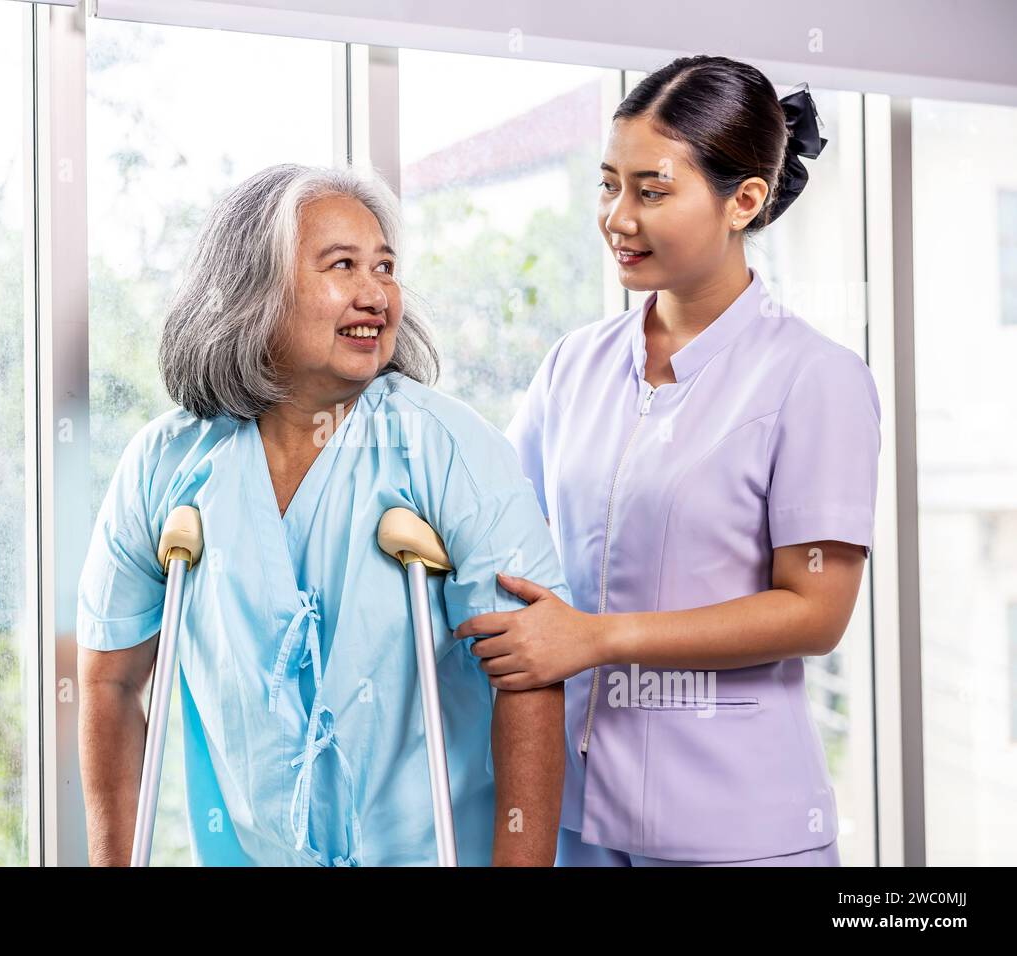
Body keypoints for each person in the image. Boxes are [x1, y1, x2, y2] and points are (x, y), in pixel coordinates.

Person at [76, 163, 569, 866]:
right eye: (342, 267)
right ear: (255, 291)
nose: (377, 295)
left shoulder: (449, 449)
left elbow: (529, 676)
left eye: (386, 268)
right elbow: (111, 681)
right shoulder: (167, 465)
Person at [454, 56, 881, 866]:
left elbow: (815, 611)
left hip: (736, 828)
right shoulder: (574, 364)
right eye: (608, 185)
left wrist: (598, 637)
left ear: (744, 200)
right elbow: (502, 530)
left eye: (651, 191)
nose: (619, 217)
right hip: (577, 818)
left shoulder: (814, 378)